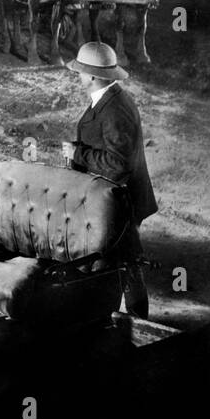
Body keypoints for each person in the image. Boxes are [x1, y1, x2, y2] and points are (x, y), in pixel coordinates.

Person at [61, 41, 157, 318]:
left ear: (92, 76)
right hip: (109, 199)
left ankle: (135, 328)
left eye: (81, 71)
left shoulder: (115, 109)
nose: (78, 76)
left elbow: (119, 164)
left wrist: (79, 153)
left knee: (125, 266)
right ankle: (121, 323)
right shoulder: (107, 99)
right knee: (119, 264)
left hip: (120, 202)